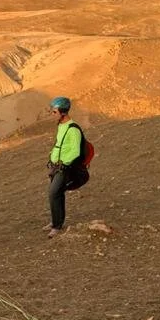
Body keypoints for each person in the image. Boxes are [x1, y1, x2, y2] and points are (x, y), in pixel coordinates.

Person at [45, 96, 89, 238]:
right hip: (56, 166)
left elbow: (75, 151)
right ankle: (55, 222)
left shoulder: (73, 129)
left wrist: (63, 163)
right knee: (56, 194)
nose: (52, 114)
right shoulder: (61, 126)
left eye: (54, 112)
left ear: (63, 112)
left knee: (53, 193)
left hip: (64, 168)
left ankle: (57, 226)